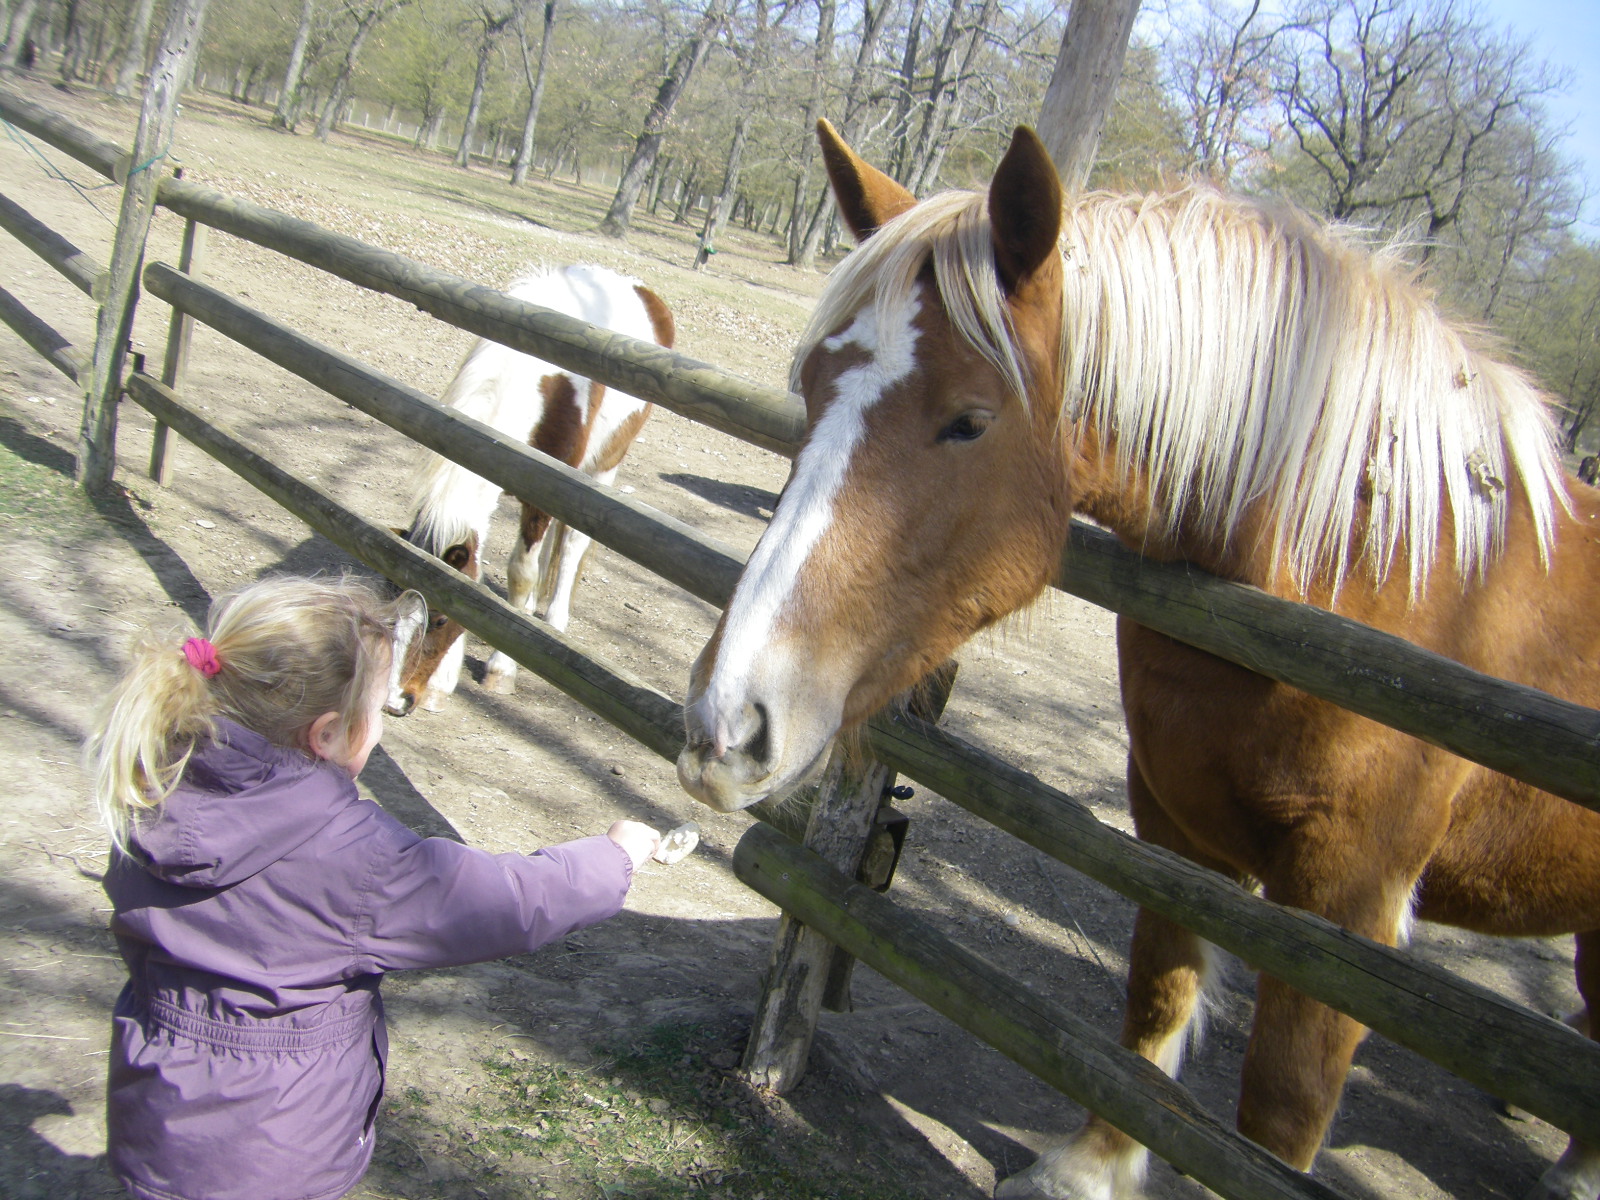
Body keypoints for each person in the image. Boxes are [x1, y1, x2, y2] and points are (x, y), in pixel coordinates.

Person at [85, 575, 661, 1200]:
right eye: (378, 710)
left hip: (156, 1123)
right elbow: (506, 901)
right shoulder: (353, 859)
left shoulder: (148, 786)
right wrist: (612, 857)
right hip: (277, 1157)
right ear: (327, 734)